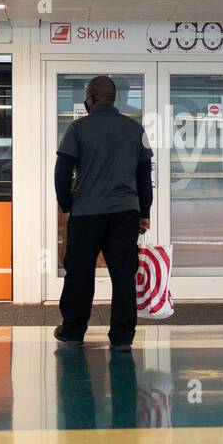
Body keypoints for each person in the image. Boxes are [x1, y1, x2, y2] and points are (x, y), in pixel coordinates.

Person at [54, 75, 153, 351]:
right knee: (123, 274)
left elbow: (62, 172)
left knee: (80, 272)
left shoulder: (77, 128)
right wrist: (144, 211)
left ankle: (73, 331)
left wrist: (68, 205)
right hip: (125, 213)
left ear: (90, 98)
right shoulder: (136, 130)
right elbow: (145, 176)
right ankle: (122, 336)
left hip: (86, 213)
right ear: (113, 98)